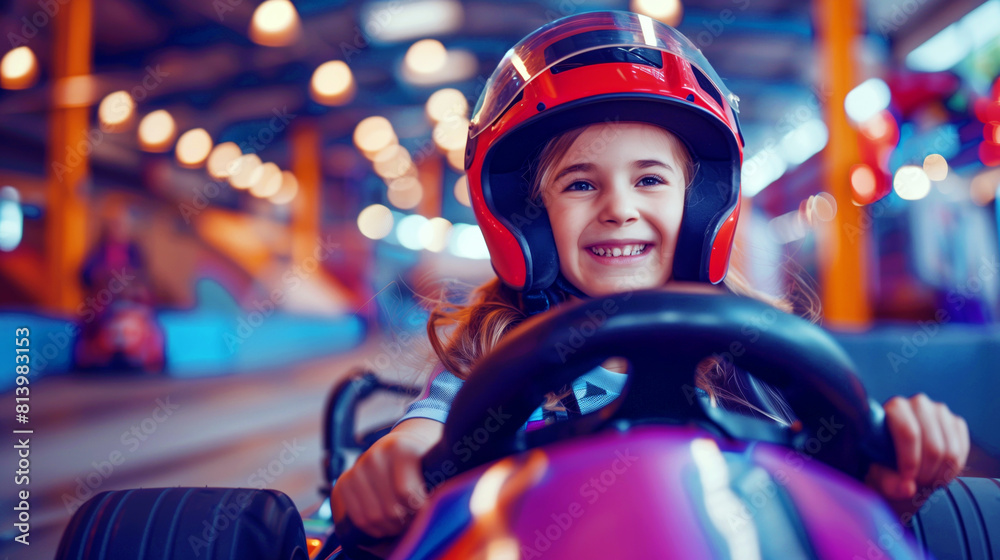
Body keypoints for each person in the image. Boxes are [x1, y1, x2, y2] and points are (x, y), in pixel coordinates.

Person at [331, 10, 969, 542]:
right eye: (580, 184)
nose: (619, 208)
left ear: (700, 207)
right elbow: (431, 429)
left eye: (650, 180)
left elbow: (835, 505)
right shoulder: (494, 352)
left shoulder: (760, 354)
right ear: (530, 220)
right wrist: (400, 457)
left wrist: (898, 475)